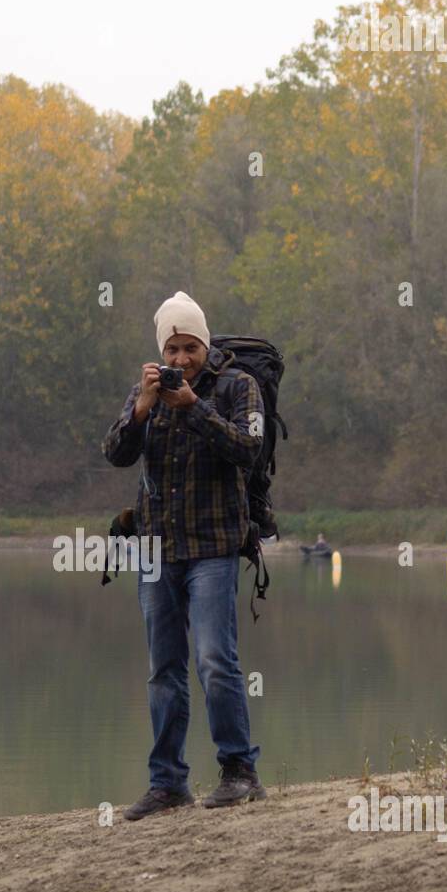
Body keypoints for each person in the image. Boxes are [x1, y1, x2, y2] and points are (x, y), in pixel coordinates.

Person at [102, 290, 266, 820]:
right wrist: (144, 410)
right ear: (161, 349)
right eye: (172, 349)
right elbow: (115, 454)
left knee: (216, 661)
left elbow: (248, 448)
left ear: (204, 343)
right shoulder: (145, 392)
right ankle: (167, 782)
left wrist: (193, 409)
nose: (180, 361)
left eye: (190, 348)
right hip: (156, 550)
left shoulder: (239, 386)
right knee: (162, 670)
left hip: (213, 548)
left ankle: (240, 772)